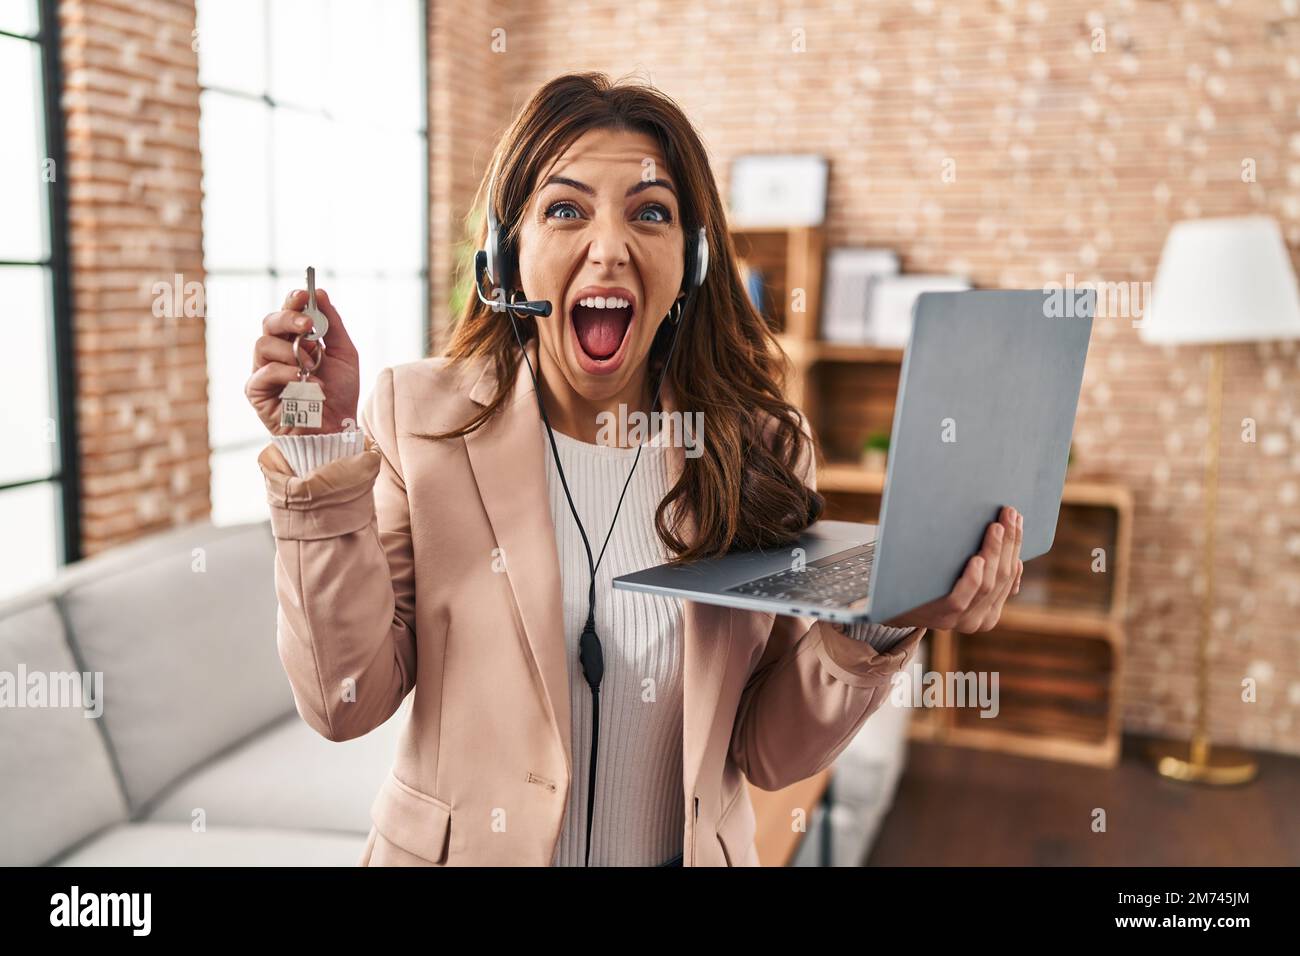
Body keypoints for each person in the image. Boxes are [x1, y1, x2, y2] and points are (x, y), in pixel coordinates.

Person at [244, 71, 1023, 867]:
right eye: (566, 209)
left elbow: (768, 752)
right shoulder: (417, 418)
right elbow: (345, 702)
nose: (609, 248)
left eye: (650, 213)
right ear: (504, 256)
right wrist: (320, 444)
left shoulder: (759, 447)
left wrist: (882, 618)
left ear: (693, 260)